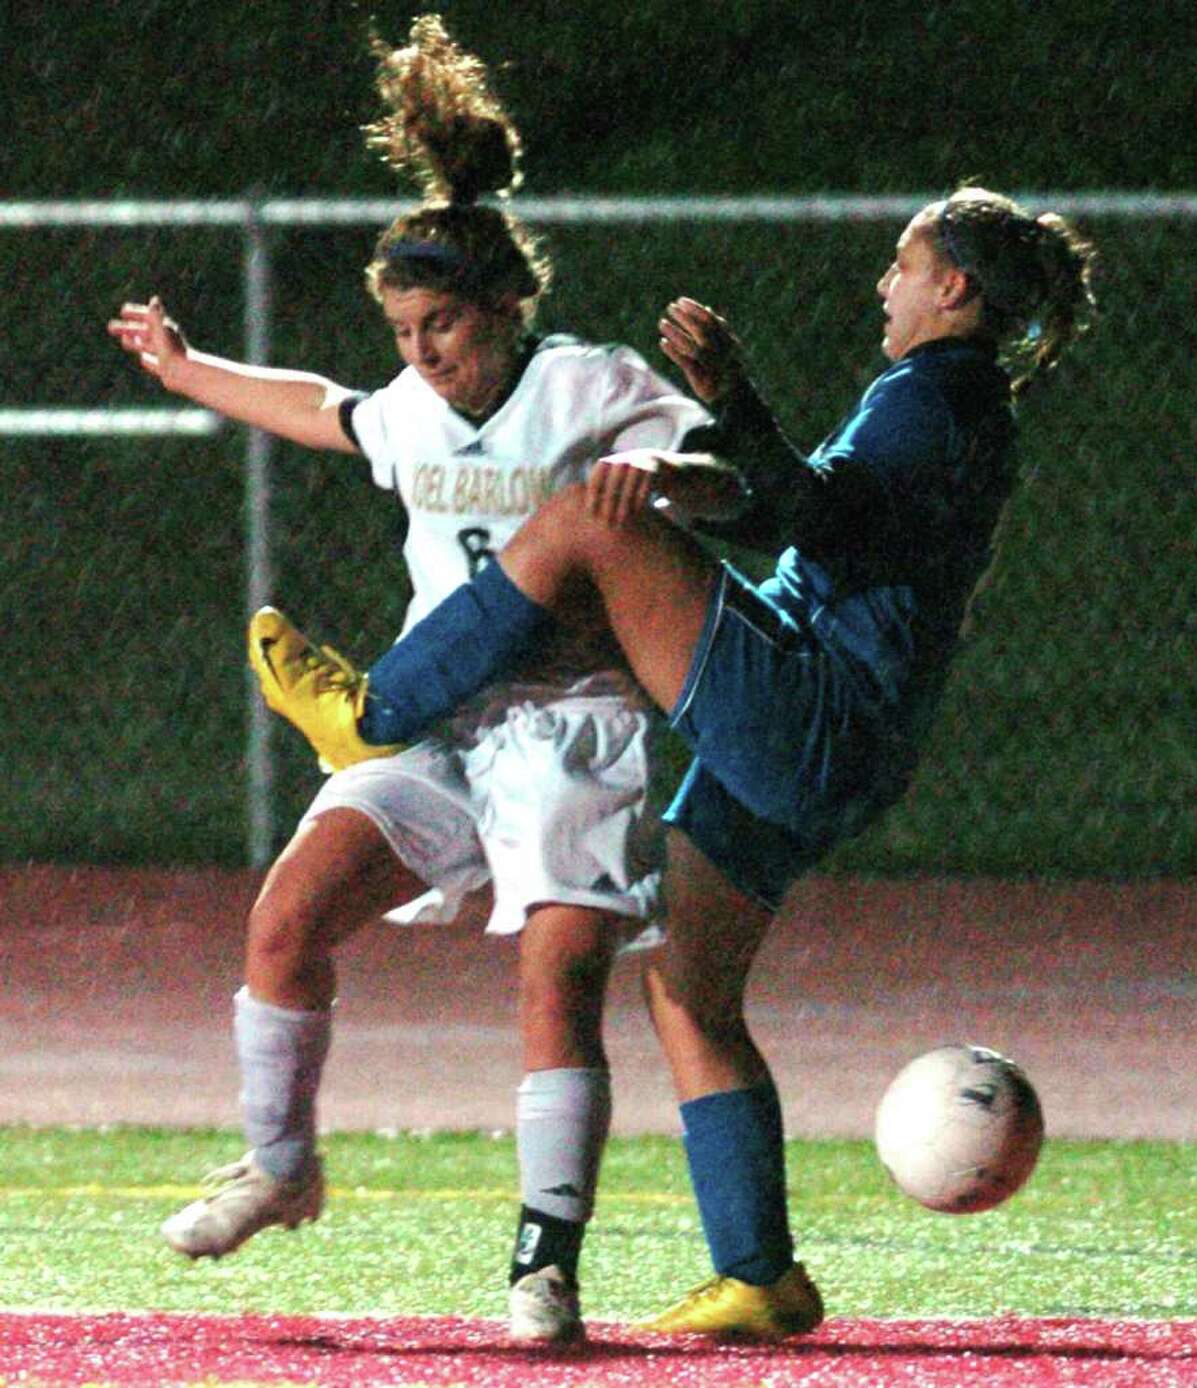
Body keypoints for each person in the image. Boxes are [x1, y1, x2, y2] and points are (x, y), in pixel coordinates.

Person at [249, 185, 1098, 1337]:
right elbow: (794, 515)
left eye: (903, 265)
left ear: (954, 286)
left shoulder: (937, 395)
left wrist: (731, 403)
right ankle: (759, 1272)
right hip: (844, 727)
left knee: (583, 525)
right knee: (686, 982)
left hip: (815, 705)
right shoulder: (945, 397)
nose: (884, 285)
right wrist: (699, 472)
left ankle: (378, 707)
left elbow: (811, 519)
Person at [107, 15, 723, 1344]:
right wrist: (183, 367)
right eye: (402, 328)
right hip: (445, 723)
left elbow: (718, 468)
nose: (422, 352)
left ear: (503, 305)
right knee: (285, 921)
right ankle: (280, 1166)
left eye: (440, 322)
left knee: (556, 981)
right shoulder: (407, 405)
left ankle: (542, 1265)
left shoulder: (585, 383)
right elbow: (322, 405)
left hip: (568, 724)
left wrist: (666, 478)